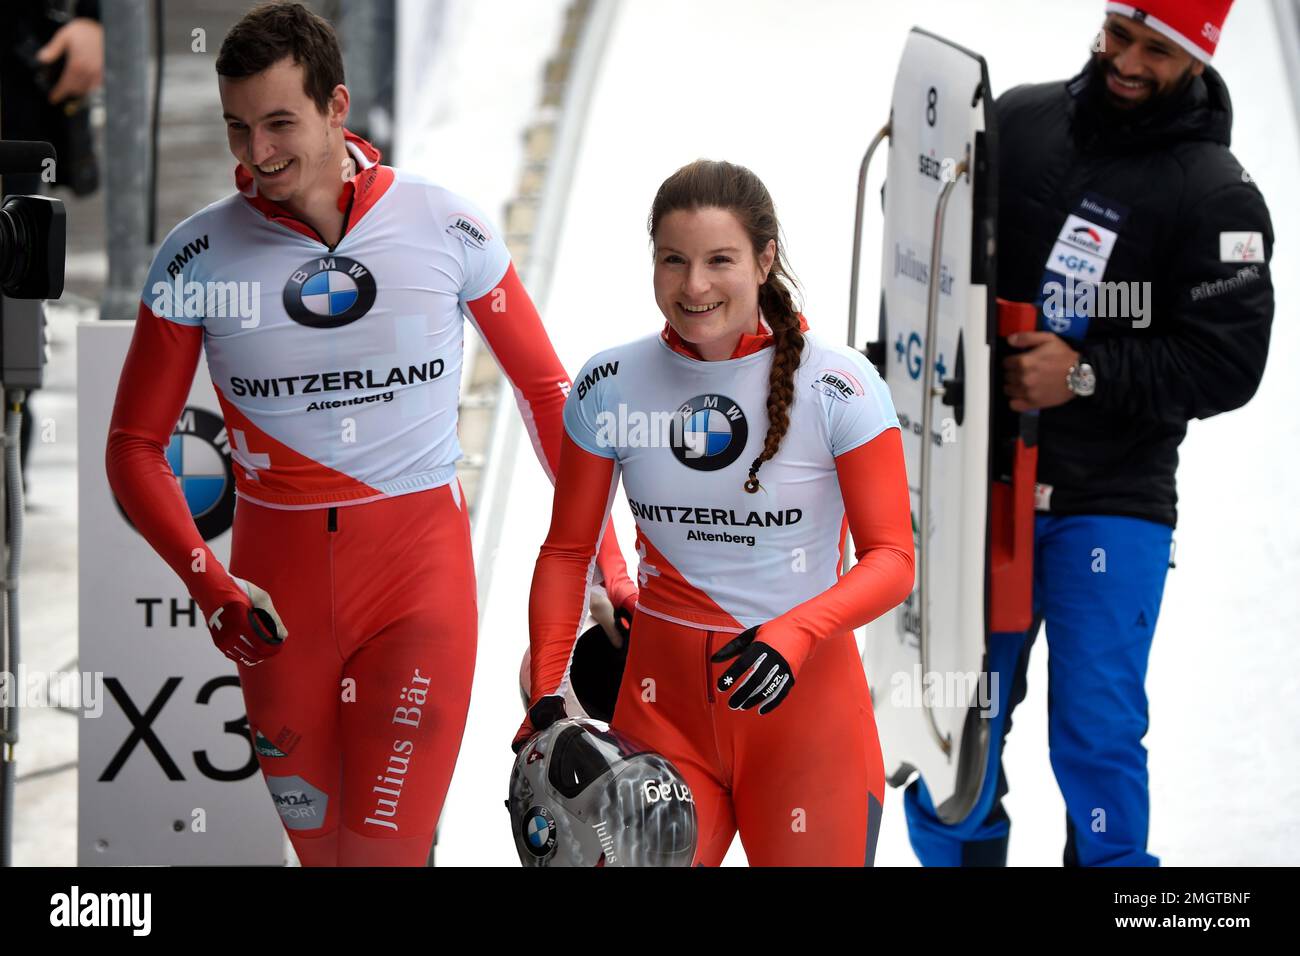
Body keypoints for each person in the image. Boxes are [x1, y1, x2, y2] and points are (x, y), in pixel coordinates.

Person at [104, 1, 633, 867]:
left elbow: (549, 396)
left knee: (381, 852)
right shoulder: (196, 257)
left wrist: (607, 562)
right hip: (278, 602)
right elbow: (133, 448)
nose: (258, 154)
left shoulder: (441, 224)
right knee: (325, 855)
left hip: (416, 583)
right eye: (239, 128)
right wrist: (210, 585)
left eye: (280, 123)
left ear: (337, 107)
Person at [904, 0, 1274, 866]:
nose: (1129, 61)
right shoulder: (1021, 119)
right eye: (1120, 34)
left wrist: (1083, 373)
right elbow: (925, 242)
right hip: (979, 490)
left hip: (1110, 503)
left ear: (1198, 58)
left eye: (1158, 48)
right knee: (954, 722)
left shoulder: (1221, 194)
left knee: (1097, 736)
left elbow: (1229, 365)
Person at [517, 159, 915, 866]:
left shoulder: (841, 386)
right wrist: (547, 699)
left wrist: (796, 631)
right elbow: (565, 552)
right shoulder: (610, 384)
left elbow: (892, 559)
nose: (694, 285)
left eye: (718, 260)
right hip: (661, 718)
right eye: (674, 260)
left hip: (805, 722)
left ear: (764, 261)